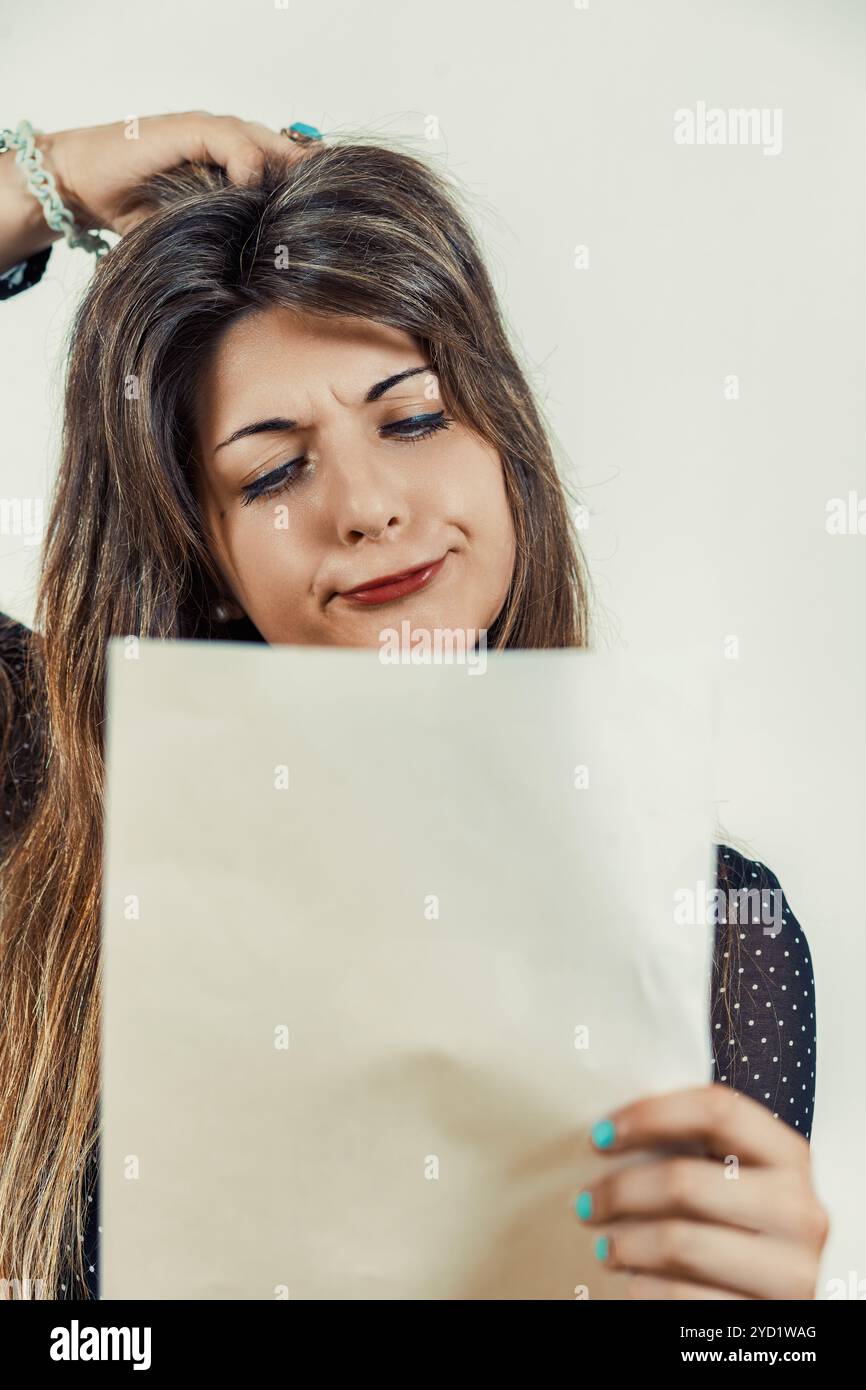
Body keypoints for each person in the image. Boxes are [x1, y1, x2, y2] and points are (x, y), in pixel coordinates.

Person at [0, 114, 828, 1301]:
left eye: (412, 417)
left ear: (502, 445)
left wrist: (745, 1338)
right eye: (274, 469)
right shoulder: (42, 789)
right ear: (201, 553)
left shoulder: (714, 929)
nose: (369, 504)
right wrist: (44, 186)